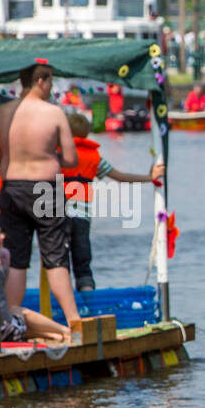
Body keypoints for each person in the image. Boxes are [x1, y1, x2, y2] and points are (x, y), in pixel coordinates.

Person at [0, 60, 82, 331]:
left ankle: (13, 320)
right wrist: (48, 154)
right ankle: (74, 321)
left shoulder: (2, 113)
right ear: (40, 81)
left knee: (17, 259)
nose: (51, 88)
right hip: (45, 187)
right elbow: (70, 159)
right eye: (50, 83)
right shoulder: (53, 113)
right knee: (55, 257)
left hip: (12, 187)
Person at [62, 112, 164, 291]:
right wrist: (149, 177)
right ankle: (88, 299)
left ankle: (62, 303)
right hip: (81, 217)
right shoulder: (94, 158)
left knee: (58, 264)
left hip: (57, 216)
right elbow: (121, 177)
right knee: (83, 265)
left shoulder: (57, 154)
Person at [0, 216, 71, 345]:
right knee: (17, 310)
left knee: (9, 319)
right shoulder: (1, 255)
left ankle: (54, 335)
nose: (4, 236)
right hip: (1, 332)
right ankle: (64, 330)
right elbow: (3, 287)